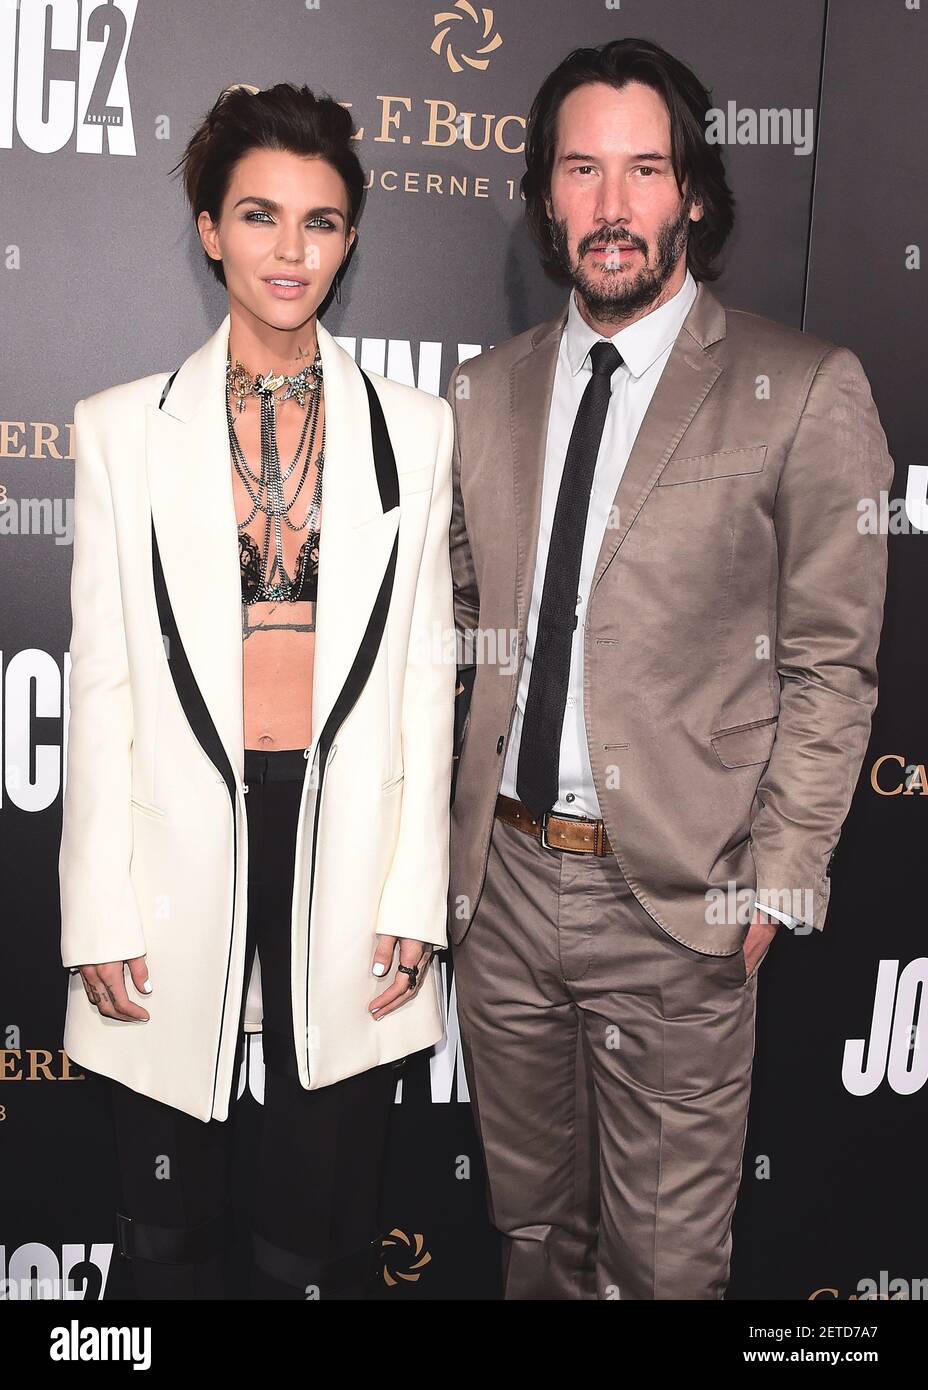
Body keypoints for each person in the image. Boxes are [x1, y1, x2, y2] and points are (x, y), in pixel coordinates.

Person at [446, 38, 894, 1299]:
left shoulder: (802, 390)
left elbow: (830, 664)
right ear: (545, 195)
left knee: (662, 1268)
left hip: (678, 906)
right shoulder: (486, 392)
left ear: (691, 191)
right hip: (505, 891)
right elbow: (464, 620)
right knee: (532, 1239)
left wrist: (782, 876)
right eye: (581, 169)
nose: (611, 203)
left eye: (644, 169)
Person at [58, 82, 456, 1299]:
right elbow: (104, 682)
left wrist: (413, 890)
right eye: (260, 216)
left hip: (340, 853)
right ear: (208, 226)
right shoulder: (122, 429)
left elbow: (427, 675)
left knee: (313, 1240)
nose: (291, 251)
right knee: (168, 1237)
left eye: (321, 222)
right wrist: (97, 909)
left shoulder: (417, 429)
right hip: (172, 855)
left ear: (349, 239)